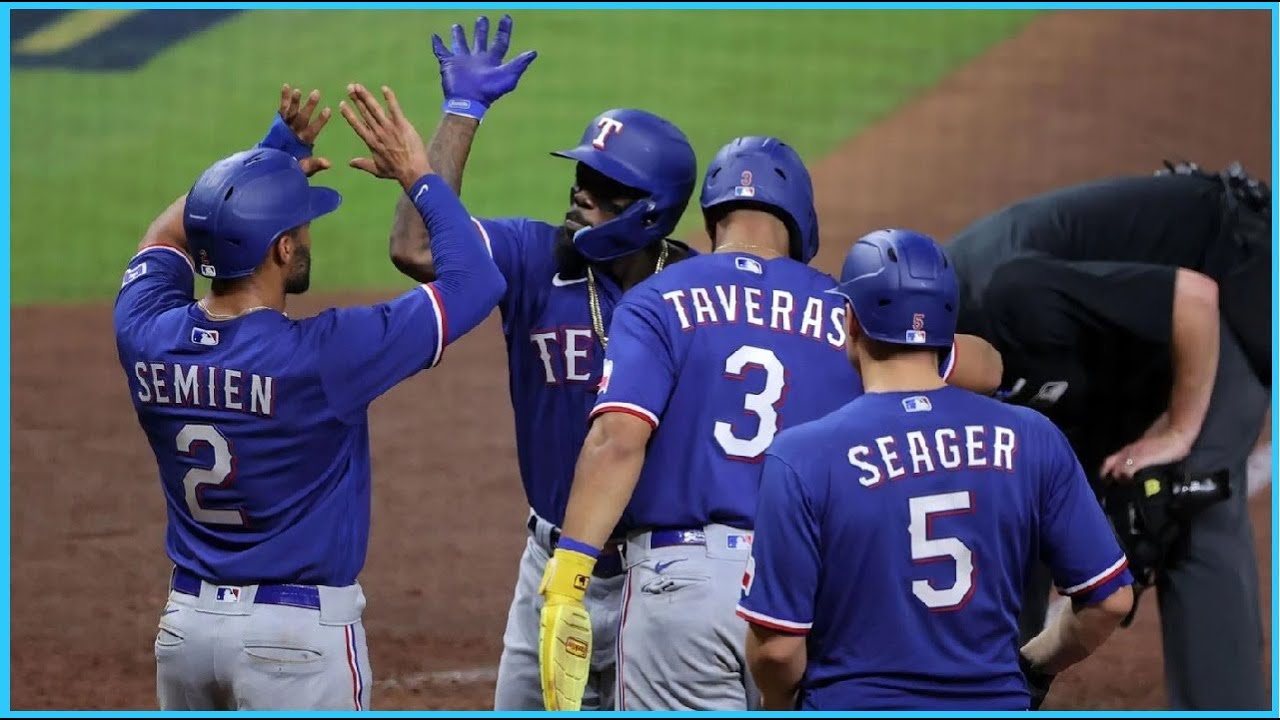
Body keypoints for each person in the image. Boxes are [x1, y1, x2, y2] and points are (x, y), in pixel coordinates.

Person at [535, 137, 1006, 711]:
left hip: (684, 586)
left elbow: (617, 440)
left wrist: (570, 578)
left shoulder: (657, 299)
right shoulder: (850, 314)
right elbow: (987, 369)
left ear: (713, 216)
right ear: (800, 219)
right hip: (803, 592)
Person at [113, 81, 504, 710]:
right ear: (282, 249)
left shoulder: (147, 335)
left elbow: (164, 237)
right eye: (301, 222)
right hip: (293, 641)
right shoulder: (325, 356)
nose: (309, 231)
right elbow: (475, 280)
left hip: (185, 632)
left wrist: (264, 163)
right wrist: (417, 174)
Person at [384, 15, 700, 712]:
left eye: (604, 184)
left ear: (651, 214)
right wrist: (462, 113)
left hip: (661, 574)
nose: (580, 191)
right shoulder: (533, 258)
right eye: (582, 172)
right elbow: (415, 248)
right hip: (551, 564)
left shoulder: (699, 295)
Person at [735, 228, 1136, 711]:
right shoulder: (1034, 437)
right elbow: (1109, 601)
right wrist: (1030, 667)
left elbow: (777, 649)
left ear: (851, 322)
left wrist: (778, 703)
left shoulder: (802, 456)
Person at [943, 161, 1272, 710]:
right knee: (1020, 500)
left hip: (1223, 272)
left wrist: (1177, 431)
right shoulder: (931, 351)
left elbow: (1192, 301)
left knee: (1181, 496)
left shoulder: (1009, 296)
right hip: (1116, 341)